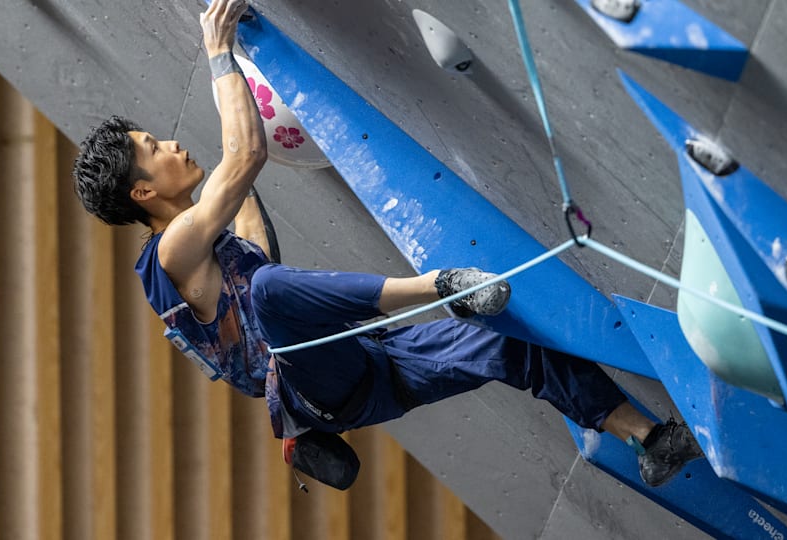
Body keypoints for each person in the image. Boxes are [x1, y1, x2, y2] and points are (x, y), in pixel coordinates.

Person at [72, 0, 702, 489]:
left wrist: (241, 134)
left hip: (368, 370)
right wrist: (219, 50)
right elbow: (246, 155)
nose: (173, 146)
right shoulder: (171, 256)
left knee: (510, 340)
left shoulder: (203, 248)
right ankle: (443, 290)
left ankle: (650, 441)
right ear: (142, 195)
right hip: (319, 385)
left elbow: (248, 203)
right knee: (269, 290)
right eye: (154, 150)